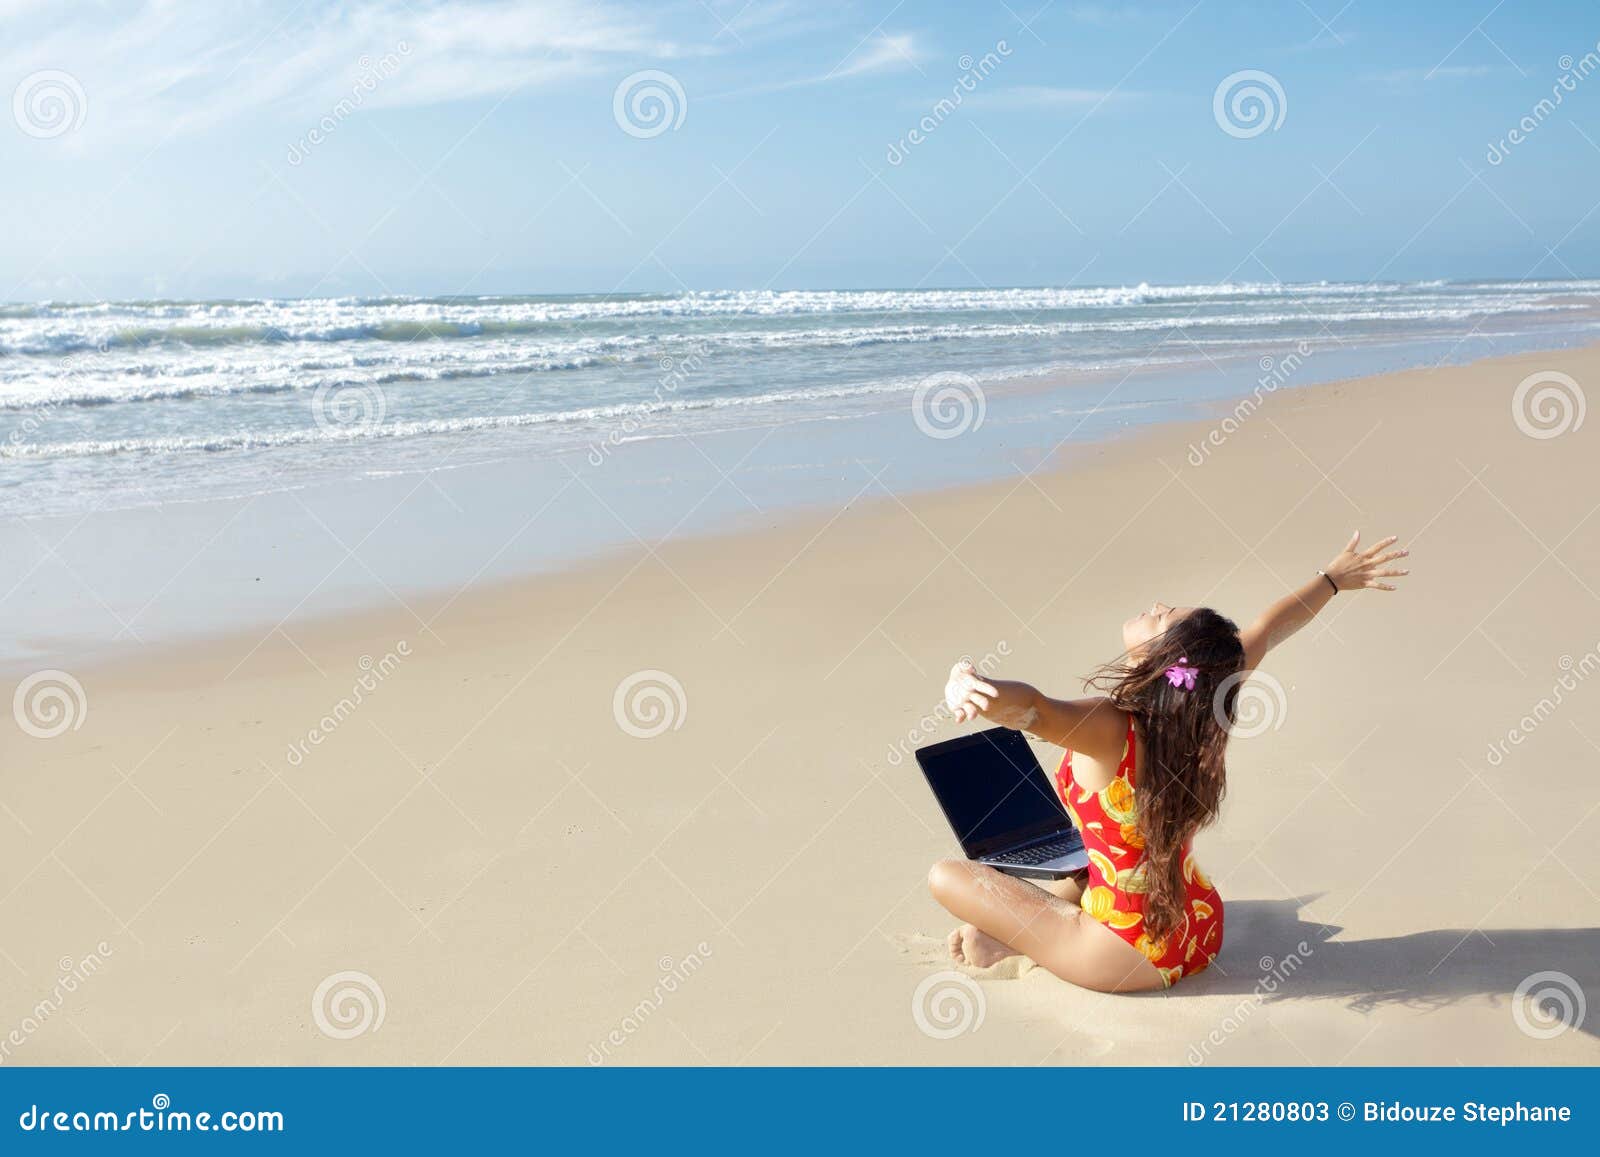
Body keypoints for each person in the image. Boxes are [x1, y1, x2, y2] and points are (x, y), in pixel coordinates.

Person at [927, 532, 1410, 992]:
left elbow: (1036, 708)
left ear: (1166, 660)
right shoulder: (1202, 706)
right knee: (1085, 868)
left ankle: (1023, 944)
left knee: (947, 876)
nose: (1156, 607)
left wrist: (976, 689)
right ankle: (1024, 932)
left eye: (1163, 619)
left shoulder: (1110, 723)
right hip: (1198, 927)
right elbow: (1269, 627)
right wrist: (1332, 581)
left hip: (1123, 952)